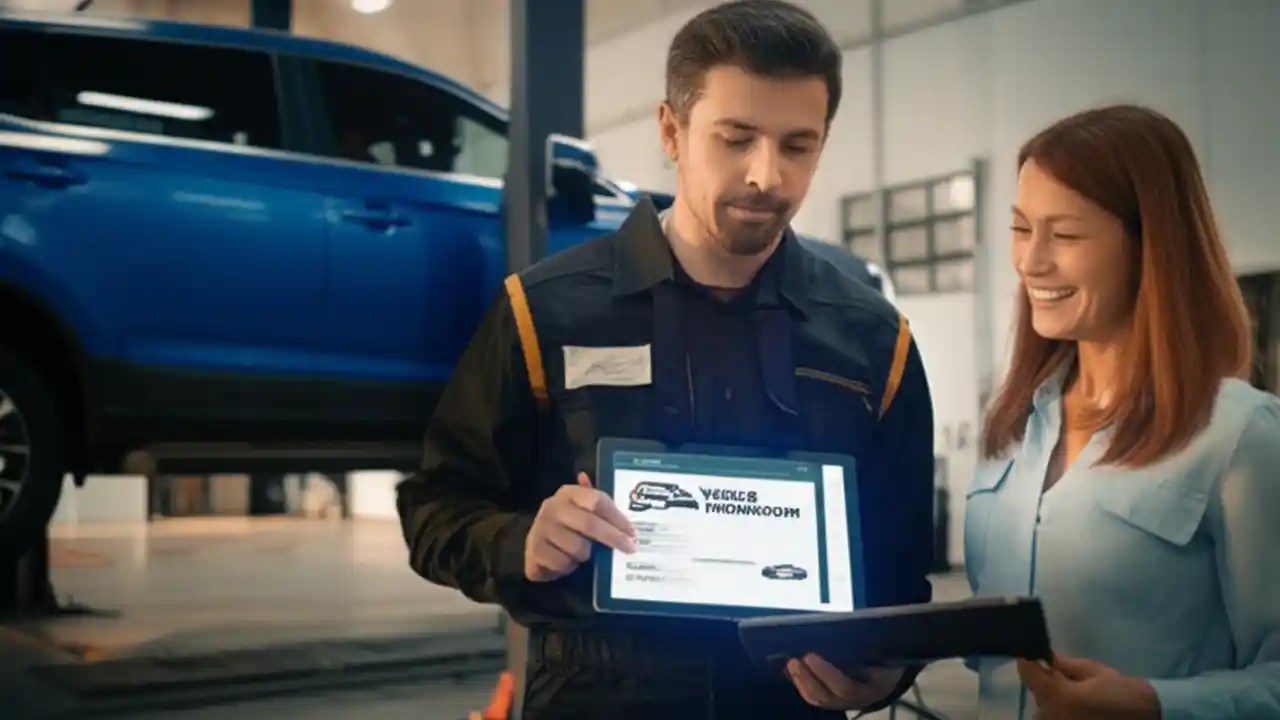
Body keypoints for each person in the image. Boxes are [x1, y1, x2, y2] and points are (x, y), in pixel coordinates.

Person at [396, 2, 937, 718]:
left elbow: (901, 576)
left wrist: (884, 676)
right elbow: (435, 510)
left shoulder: (873, 340)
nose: (765, 176)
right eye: (736, 139)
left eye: (797, 146)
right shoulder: (545, 312)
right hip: (596, 693)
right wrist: (520, 540)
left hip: (787, 702)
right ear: (671, 131)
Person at [965, 104, 1280, 720]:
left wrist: (1154, 703)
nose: (1031, 261)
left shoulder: (1239, 438)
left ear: (1150, 248)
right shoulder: (1014, 428)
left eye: (1067, 235)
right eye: (1022, 228)